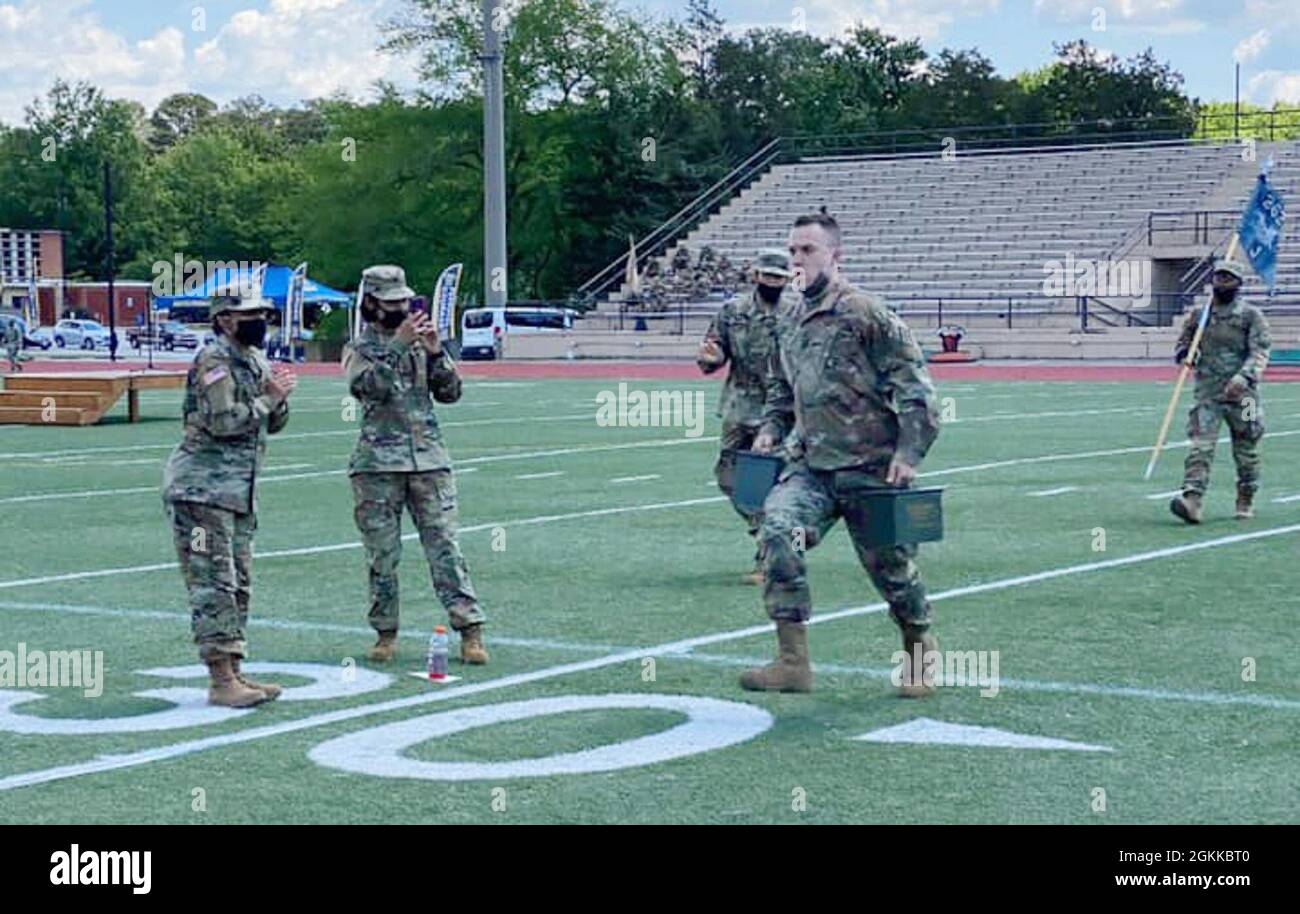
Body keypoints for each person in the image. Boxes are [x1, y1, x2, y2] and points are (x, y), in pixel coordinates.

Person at [748, 211, 942, 696]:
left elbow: (916, 388)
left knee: (893, 572)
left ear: (835, 255)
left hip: (872, 469)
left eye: (807, 251)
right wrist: (771, 429)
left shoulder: (867, 314)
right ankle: (793, 661)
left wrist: (909, 452)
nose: (797, 260)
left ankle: (919, 645)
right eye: (792, 251)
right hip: (811, 468)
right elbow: (780, 386)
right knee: (777, 532)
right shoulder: (788, 317)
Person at [344, 264, 488, 665]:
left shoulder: (422, 340)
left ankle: (469, 628)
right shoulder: (360, 348)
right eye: (392, 302)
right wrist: (397, 347)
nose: (402, 308)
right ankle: (385, 632)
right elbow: (366, 388)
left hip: (429, 460)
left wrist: (437, 352)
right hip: (377, 464)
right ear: (371, 303)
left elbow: (451, 393)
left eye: (405, 301)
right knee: (382, 555)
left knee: (444, 547)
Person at [162, 292, 296, 707]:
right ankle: (220, 679)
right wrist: (267, 398)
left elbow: (269, 424)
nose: (259, 320)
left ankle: (234, 669)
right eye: (248, 315)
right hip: (201, 490)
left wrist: (278, 400)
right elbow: (223, 422)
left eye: (262, 314)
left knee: (239, 583)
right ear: (223, 320)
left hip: (237, 492)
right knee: (213, 583)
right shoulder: (213, 362)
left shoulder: (254, 359)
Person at [697, 249, 794, 584]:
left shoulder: (798, 312)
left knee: (778, 485)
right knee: (729, 477)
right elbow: (713, 356)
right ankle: (764, 531)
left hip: (782, 412)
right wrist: (710, 357)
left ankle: (773, 557)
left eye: (778, 278)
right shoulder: (732, 311)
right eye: (767, 275)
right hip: (740, 408)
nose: (772, 282)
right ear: (755, 275)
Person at [1170, 259, 1272, 523]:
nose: (1222, 283)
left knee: (1247, 448)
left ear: (1238, 284)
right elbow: (1185, 341)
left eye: (1228, 278)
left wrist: (1244, 377)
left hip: (1244, 396)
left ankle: (1246, 495)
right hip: (1209, 392)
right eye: (1218, 278)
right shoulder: (1200, 315)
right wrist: (1185, 353)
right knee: (1200, 446)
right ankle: (1192, 498)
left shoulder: (1250, 316)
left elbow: (1260, 351)